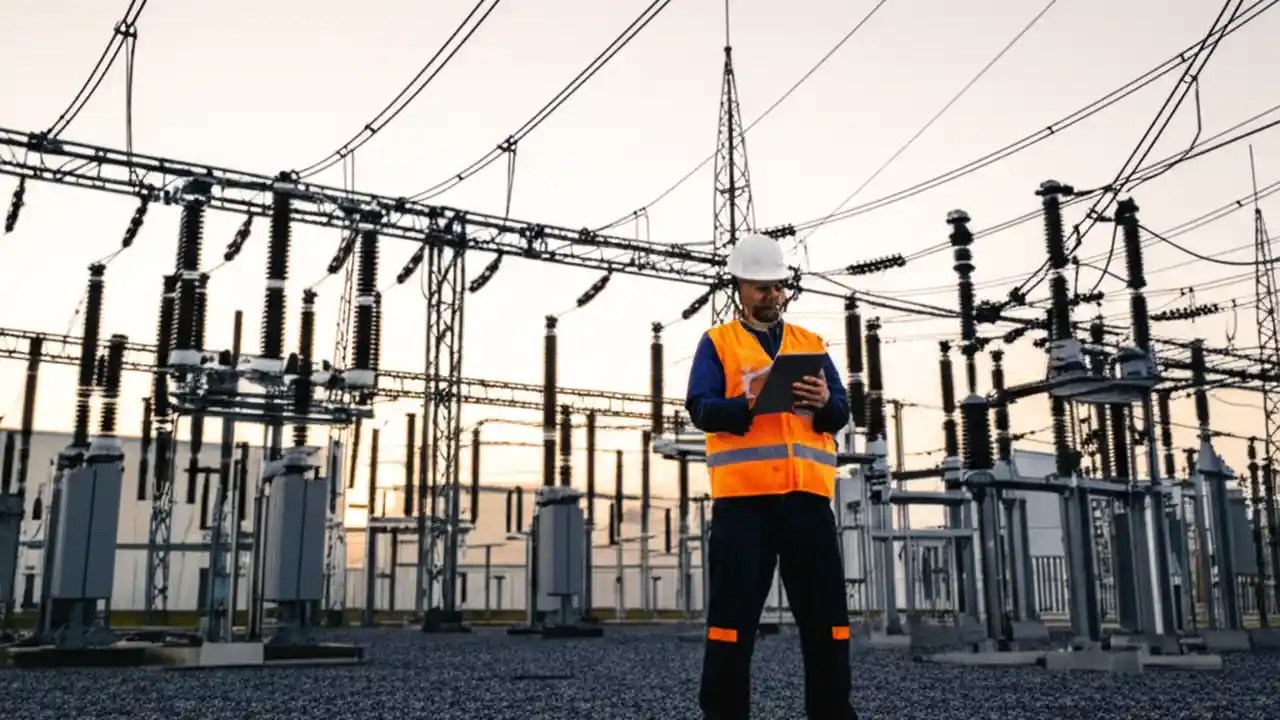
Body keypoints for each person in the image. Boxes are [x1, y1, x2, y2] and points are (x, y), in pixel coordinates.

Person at [686, 232, 856, 720]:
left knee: (828, 624)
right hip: (744, 506)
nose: (772, 295)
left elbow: (840, 410)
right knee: (731, 625)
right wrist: (749, 405)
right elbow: (701, 408)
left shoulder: (811, 344)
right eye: (761, 287)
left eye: (777, 286)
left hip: (807, 501)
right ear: (738, 287)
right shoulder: (717, 343)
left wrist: (825, 403)